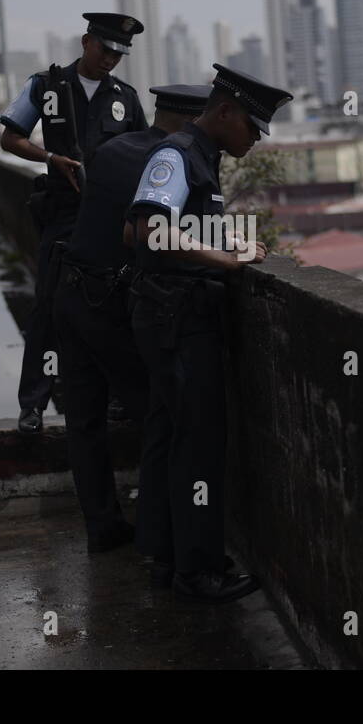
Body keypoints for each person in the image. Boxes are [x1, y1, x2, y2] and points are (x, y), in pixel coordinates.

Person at [124, 64, 292, 603]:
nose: (255, 137)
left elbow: (173, 225)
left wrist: (236, 242)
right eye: (251, 125)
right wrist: (226, 258)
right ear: (224, 112)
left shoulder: (201, 157)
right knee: (196, 446)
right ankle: (197, 571)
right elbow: (148, 230)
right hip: (175, 320)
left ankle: (166, 557)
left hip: (176, 316)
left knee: (172, 438)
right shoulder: (175, 155)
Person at [53, 85, 210, 553]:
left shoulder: (111, 149)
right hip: (110, 304)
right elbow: (157, 238)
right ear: (190, 122)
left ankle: (103, 527)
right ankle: (160, 536)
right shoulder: (168, 161)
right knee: (158, 417)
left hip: (71, 293)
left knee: (84, 421)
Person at [0, 13, 147, 435]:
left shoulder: (126, 98)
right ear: (86, 42)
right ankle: (33, 406)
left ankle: (118, 397)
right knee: (48, 307)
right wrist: (50, 159)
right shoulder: (46, 86)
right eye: (105, 50)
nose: (111, 60)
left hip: (110, 217)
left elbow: (144, 151)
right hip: (63, 213)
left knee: (115, 306)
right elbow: (9, 138)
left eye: (119, 54)